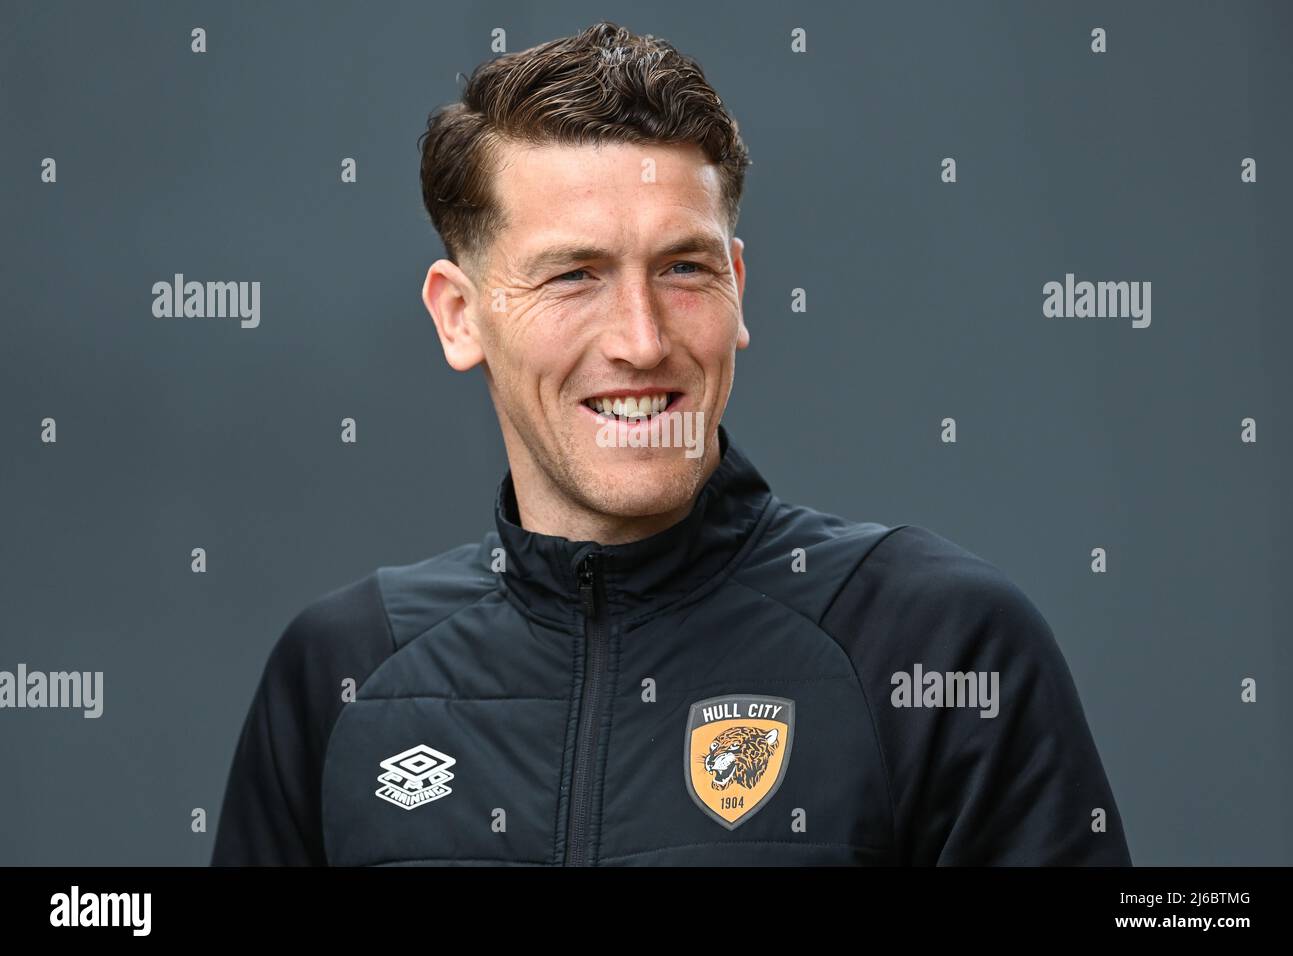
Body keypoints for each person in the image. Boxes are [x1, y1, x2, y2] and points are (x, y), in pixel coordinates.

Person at [211, 20, 1131, 867]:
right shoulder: (342, 675)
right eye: (574, 276)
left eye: (683, 268)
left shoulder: (936, 647)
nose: (642, 340)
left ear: (737, 286)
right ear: (460, 317)